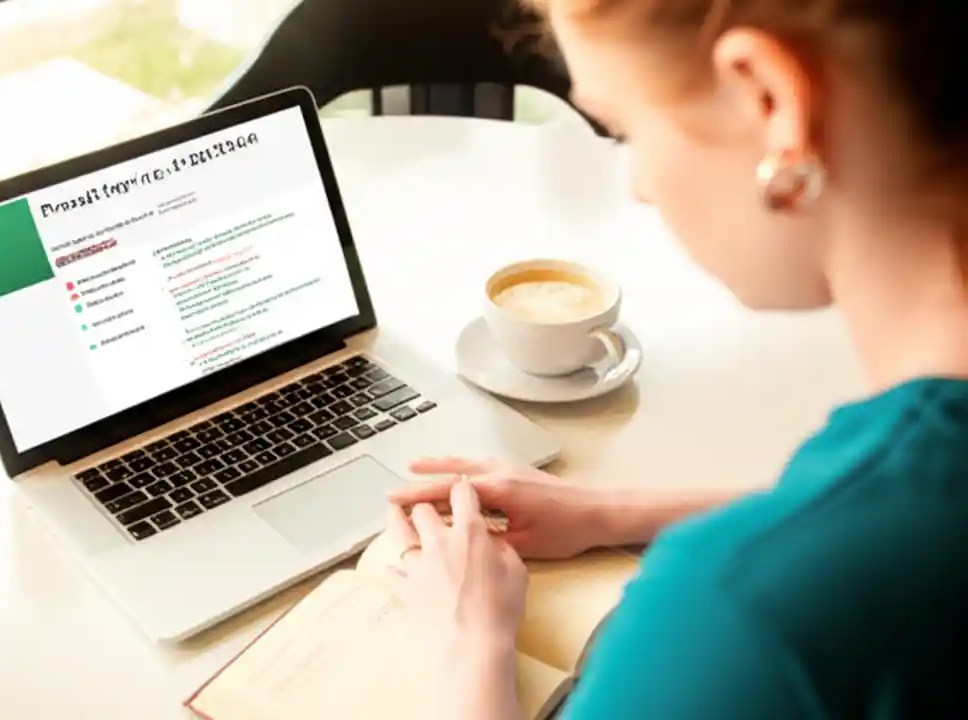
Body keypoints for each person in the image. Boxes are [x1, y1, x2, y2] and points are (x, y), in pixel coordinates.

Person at [383, 0, 968, 717]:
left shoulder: (738, 610)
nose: (639, 185)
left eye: (624, 127)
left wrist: (468, 650)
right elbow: (897, 522)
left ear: (769, 100)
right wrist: (608, 513)